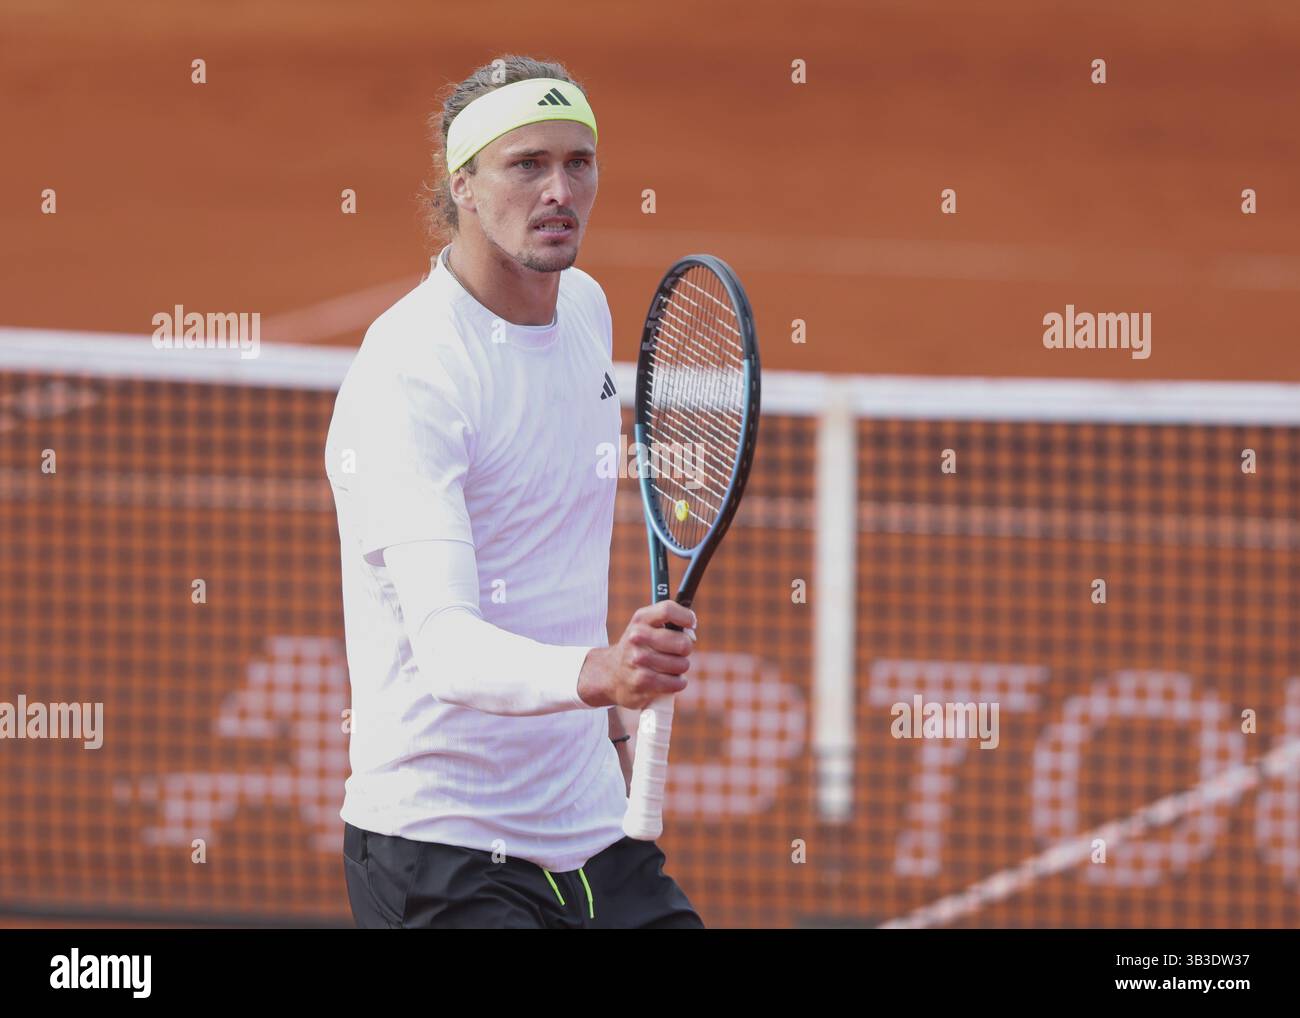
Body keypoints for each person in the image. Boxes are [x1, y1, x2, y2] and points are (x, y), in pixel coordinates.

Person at [325, 54, 704, 929]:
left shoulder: (586, 314)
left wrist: (608, 733)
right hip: (442, 844)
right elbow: (448, 648)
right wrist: (604, 673)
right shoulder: (412, 375)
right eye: (525, 165)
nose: (558, 191)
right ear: (462, 183)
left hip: (590, 830)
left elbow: (554, 561)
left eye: (579, 162)